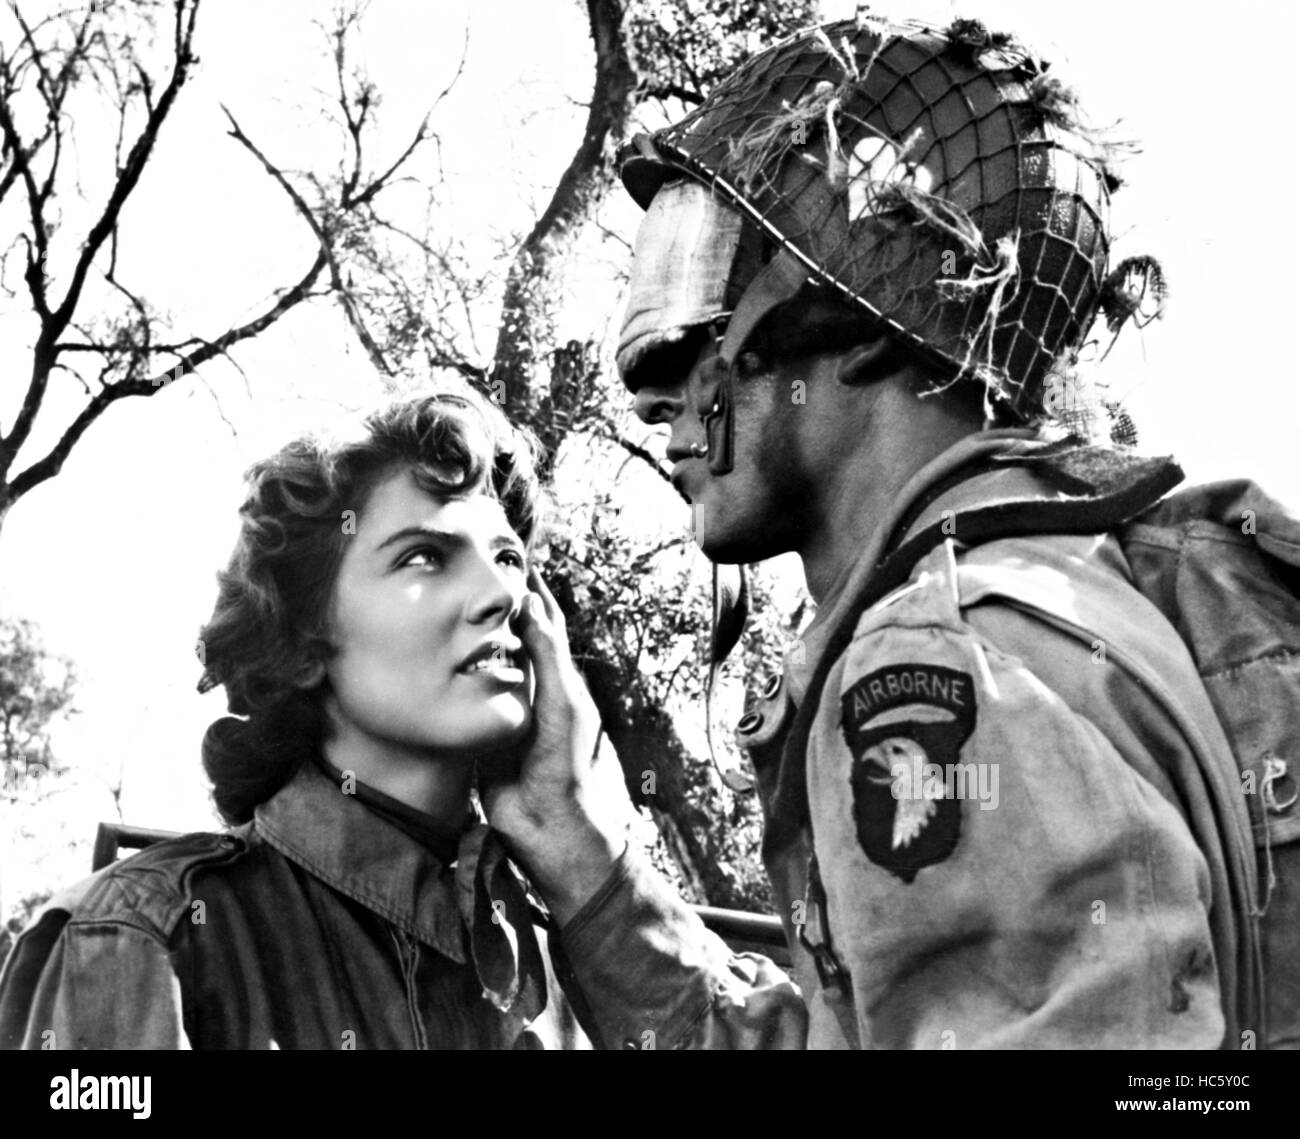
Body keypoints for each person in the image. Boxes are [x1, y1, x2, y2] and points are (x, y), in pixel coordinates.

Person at [488, 15, 1260, 1048]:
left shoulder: (937, 663)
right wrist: (586, 858)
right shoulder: (1086, 586)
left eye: (706, 292)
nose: (655, 385)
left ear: (851, 318)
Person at [0, 389, 599, 1049]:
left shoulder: (569, 963)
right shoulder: (144, 937)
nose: (500, 595)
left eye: (509, 557)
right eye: (423, 555)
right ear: (305, 640)